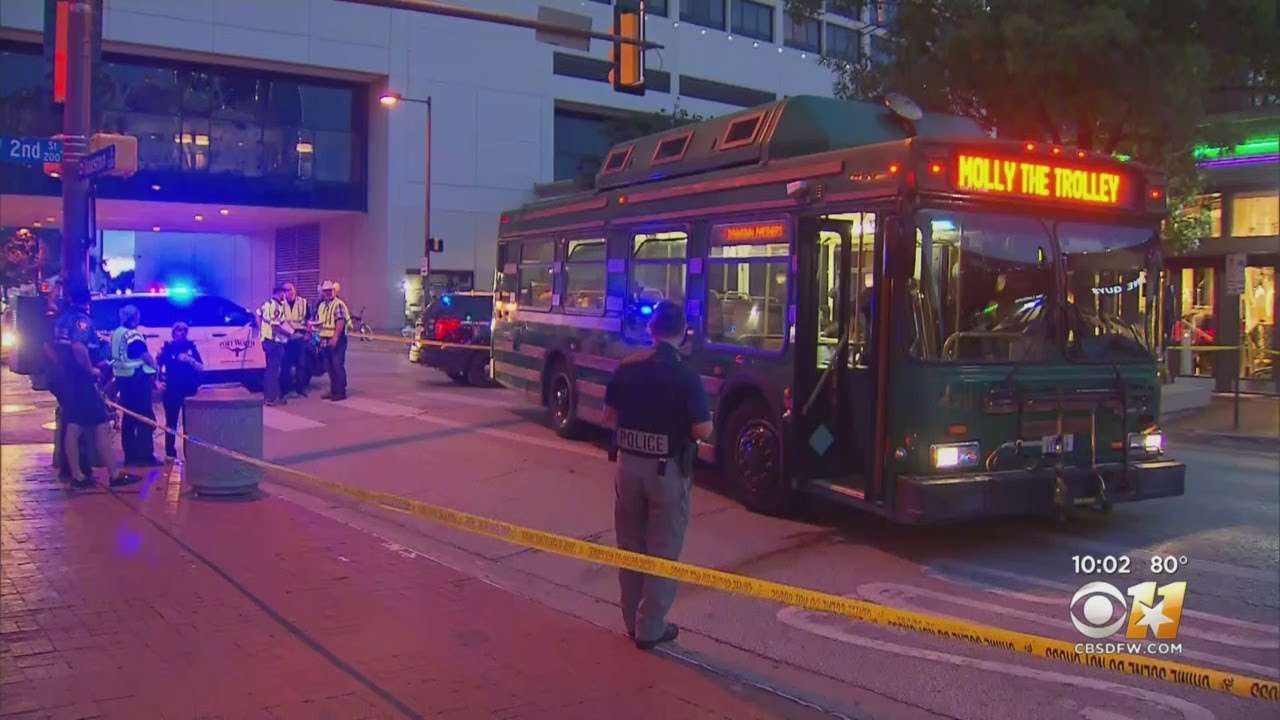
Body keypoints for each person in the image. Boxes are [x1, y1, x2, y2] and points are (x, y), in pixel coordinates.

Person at [603, 301, 712, 650]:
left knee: (630, 548)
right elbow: (701, 429)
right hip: (666, 472)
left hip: (627, 466)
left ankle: (631, 622)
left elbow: (608, 416)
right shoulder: (685, 375)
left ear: (651, 330)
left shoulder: (627, 366)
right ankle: (650, 628)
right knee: (662, 552)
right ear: (682, 333)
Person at [54, 285, 135, 489]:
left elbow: (57, 348)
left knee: (73, 426)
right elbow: (78, 347)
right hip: (82, 380)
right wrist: (91, 369)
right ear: (86, 302)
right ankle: (113, 475)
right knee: (100, 424)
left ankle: (77, 474)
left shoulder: (61, 320)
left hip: (67, 379)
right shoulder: (82, 321)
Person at [110, 304, 160, 466]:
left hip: (123, 379)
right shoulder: (133, 335)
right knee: (144, 417)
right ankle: (146, 455)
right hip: (137, 380)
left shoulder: (117, 333)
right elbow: (144, 356)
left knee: (129, 418)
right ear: (134, 318)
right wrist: (157, 368)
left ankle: (131, 456)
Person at [156, 322, 204, 460]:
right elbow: (157, 366)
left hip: (189, 390)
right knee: (171, 422)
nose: (182, 333)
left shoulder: (191, 348)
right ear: (173, 332)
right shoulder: (167, 348)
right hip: (172, 390)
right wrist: (158, 382)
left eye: (184, 330)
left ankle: (190, 453)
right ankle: (170, 453)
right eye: (179, 330)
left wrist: (189, 360)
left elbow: (201, 367)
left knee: (190, 424)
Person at [314, 280, 349, 401]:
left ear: (334, 291)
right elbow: (320, 321)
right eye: (325, 291)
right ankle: (334, 389)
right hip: (324, 339)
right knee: (329, 366)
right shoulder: (322, 305)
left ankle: (340, 391)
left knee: (337, 364)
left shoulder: (338, 304)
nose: (328, 293)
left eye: (330, 290)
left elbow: (340, 321)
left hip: (337, 340)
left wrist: (335, 337)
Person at [258, 284, 288, 406]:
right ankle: (272, 398)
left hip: (266, 340)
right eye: (283, 293)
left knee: (269, 369)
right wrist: (288, 334)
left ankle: (268, 396)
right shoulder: (276, 306)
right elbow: (275, 326)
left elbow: (258, 315)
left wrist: (262, 331)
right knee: (274, 370)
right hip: (274, 341)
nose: (284, 295)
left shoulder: (267, 304)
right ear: (279, 293)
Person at [279, 281, 309, 398]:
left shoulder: (303, 302)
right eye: (286, 290)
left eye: (290, 289)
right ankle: (284, 390)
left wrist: (308, 334)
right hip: (285, 338)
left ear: (295, 290)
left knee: (301, 365)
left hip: (300, 337)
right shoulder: (280, 304)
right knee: (285, 365)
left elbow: (309, 319)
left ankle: (300, 389)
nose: (289, 292)